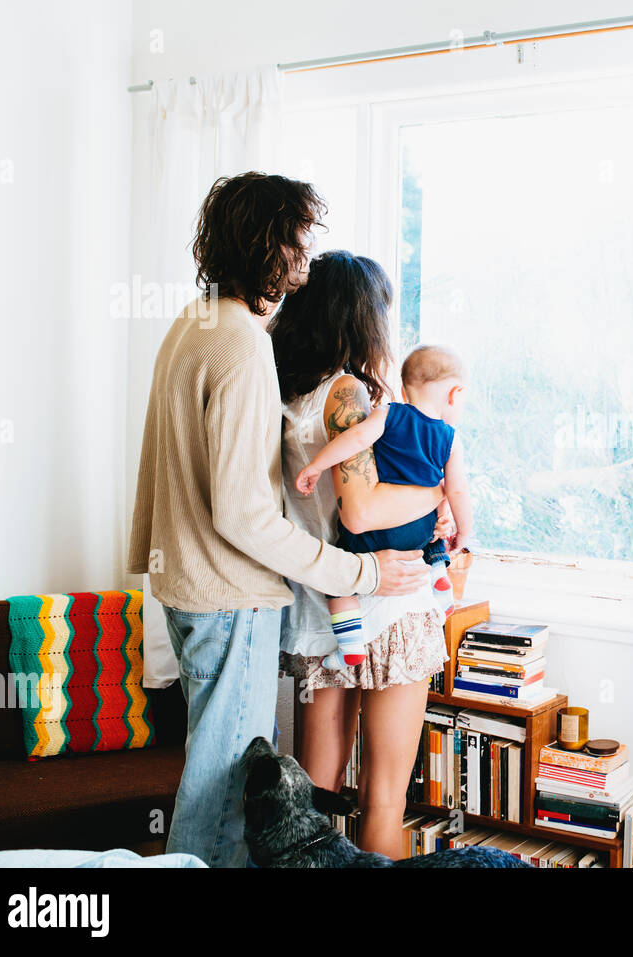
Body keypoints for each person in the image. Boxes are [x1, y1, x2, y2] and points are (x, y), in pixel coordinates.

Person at [126, 174, 441, 868]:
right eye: (298, 239)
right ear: (269, 244)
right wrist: (363, 567)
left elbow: (160, 458)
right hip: (230, 594)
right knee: (224, 787)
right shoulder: (242, 346)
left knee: (265, 789)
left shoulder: (195, 322)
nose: (305, 256)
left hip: (187, 585)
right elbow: (244, 513)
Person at [271, 250, 459, 859]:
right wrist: (440, 492)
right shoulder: (347, 393)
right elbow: (361, 510)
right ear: (362, 317)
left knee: (314, 804)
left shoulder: (291, 395)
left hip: (324, 603)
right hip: (384, 600)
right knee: (384, 802)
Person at [296, 343, 474, 669]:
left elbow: (355, 439)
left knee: (339, 575)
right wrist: (464, 532)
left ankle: (349, 645)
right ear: (454, 394)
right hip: (420, 531)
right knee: (436, 533)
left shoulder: (389, 413)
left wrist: (316, 466)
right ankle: (439, 575)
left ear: (404, 390)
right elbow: (457, 491)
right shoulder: (450, 438)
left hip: (379, 532)